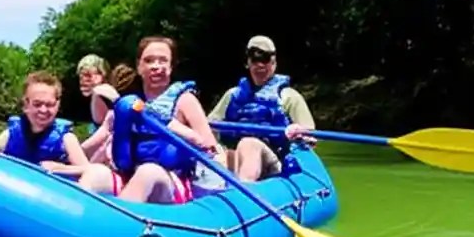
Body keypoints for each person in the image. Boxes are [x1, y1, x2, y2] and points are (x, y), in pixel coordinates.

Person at [79, 36, 217, 203]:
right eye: (149, 61)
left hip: (172, 181)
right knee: (95, 173)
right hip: (129, 175)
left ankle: (117, 225)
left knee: (148, 172)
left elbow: (210, 148)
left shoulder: (185, 101)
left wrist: (181, 132)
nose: (156, 67)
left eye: (163, 61)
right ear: (139, 67)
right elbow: (99, 132)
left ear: (171, 67)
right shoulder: (128, 105)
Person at [206, 35, 317, 182]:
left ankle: (244, 194)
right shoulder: (232, 95)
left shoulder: (289, 97)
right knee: (220, 156)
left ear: (274, 62)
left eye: (265, 59)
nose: (259, 66)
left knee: (248, 144)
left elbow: (311, 138)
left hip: (275, 161)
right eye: (254, 60)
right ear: (248, 62)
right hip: (237, 158)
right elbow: (208, 128)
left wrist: (300, 133)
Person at [0, 71, 94, 173]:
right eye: (37, 104)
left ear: (57, 105)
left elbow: (88, 170)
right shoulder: (10, 134)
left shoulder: (66, 139)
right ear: (26, 105)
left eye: (49, 105)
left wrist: (62, 168)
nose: (43, 110)